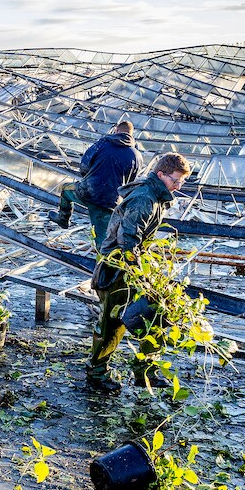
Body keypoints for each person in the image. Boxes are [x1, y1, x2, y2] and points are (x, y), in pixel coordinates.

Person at [86, 152, 191, 394]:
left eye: (181, 182)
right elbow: (128, 241)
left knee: (155, 315)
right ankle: (97, 373)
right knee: (113, 323)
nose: (177, 186)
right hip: (118, 268)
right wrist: (138, 273)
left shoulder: (156, 195)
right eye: (175, 180)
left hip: (134, 265)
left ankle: (146, 371)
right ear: (160, 174)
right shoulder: (145, 198)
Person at [51, 121, 144, 247]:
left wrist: (90, 178)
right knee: (104, 233)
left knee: (66, 190)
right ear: (132, 134)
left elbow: (84, 165)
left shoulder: (102, 144)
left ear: (116, 130)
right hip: (111, 200)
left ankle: (63, 218)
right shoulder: (136, 155)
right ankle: (110, 258)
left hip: (89, 192)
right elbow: (130, 183)